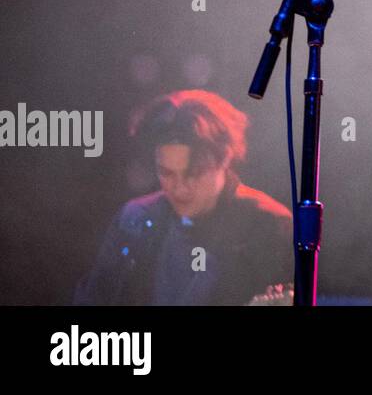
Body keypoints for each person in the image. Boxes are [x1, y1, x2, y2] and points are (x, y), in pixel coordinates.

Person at [74, 89, 292, 305]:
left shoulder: (270, 224)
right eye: (167, 173)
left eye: (193, 173)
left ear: (224, 158)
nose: (179, 188)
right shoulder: (135, 219)